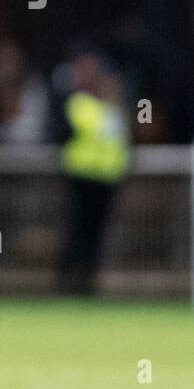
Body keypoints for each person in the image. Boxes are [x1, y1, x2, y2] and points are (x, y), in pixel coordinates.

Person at [55, 52, 129, 294]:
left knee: (96, 234)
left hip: (107, 180)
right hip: (83, 177)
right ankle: (66, 282)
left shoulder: (112, 109)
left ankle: (87, 282)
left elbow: (120, 141)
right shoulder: (79, 104)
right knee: (77, 231)